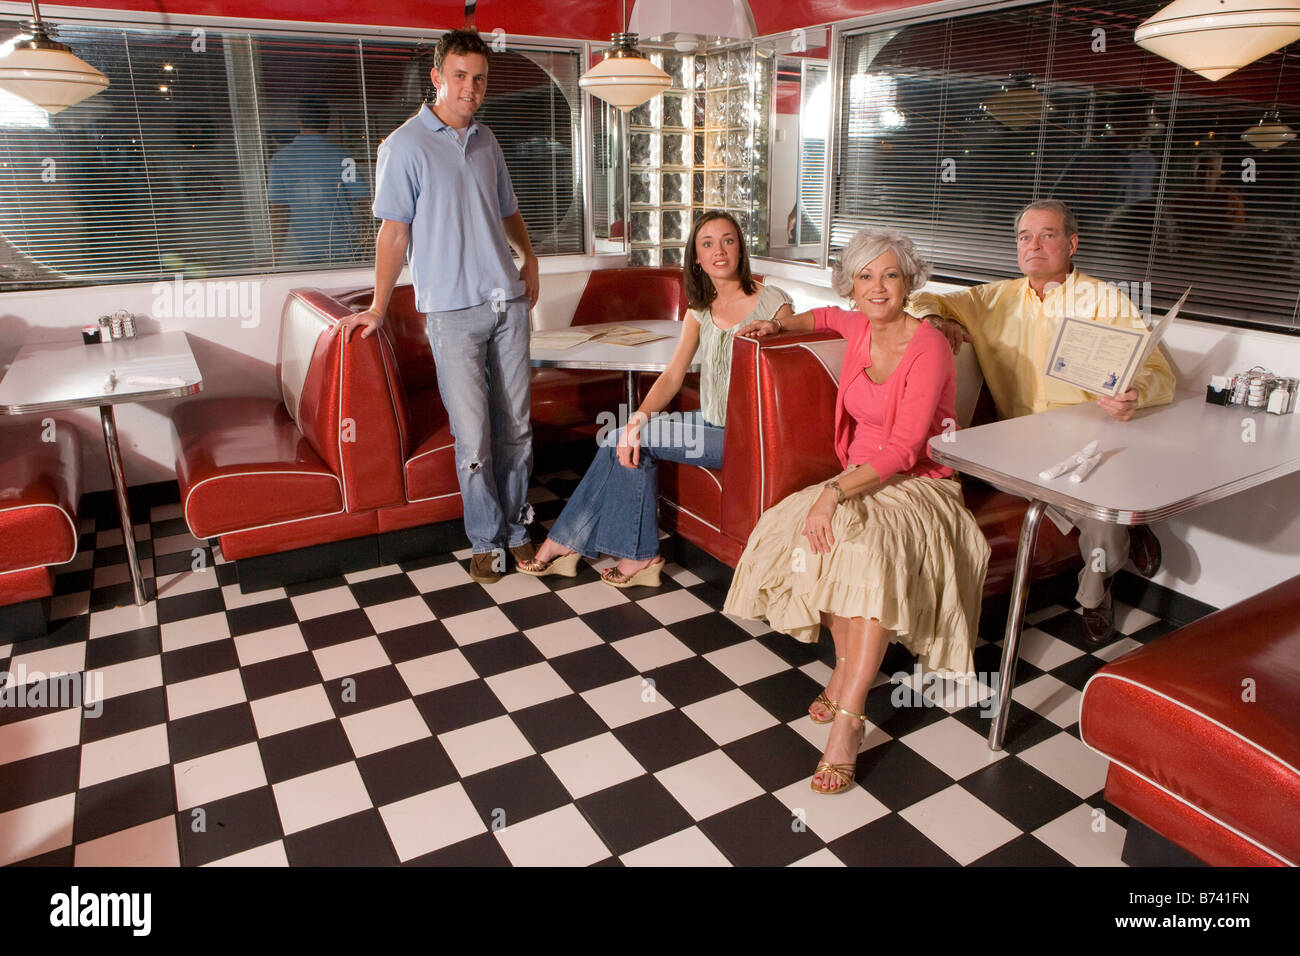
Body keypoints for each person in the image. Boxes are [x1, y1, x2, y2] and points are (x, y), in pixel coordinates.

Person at [724, 229, 991, 796]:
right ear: (853, 285)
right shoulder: (857, 325)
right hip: (854, 481)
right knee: (799, 534)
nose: (877, 287)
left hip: (920, 484)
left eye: (890, 275)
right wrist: (779, 325)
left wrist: (832, 493)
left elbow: (905, 448)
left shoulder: (929, 345)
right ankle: (847, 675)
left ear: (908, 282)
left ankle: (849, 723)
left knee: (864, 551)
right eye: (865, 276)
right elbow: (820, 317)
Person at [912, 198, 1175, 643]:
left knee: (1102, 519)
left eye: (1047, 235)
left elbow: (1158, 372)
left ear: (1071, 244)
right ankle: (1132, 521)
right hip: (1015, 446)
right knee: (1054, 494)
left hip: (1085, 444)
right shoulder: (992, 299)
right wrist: (938, 318)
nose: (1033, 245)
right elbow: (921, 297)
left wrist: (1135, 394)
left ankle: (1093, 597)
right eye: (1024, 236)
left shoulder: (1103, 300)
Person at [338, 29, 540, 584]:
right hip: (452, 315)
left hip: (509, 306)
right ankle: (484, 539)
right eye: (459, 76)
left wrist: (532, 262)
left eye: (478, 78)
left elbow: (508, 212)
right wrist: (379, 307)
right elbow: (393, 235)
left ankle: (520, 530)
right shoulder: (403, 146)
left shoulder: (486, 141)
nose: (470, 87)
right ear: (436, 77)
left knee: (518, 427)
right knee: (473, 435)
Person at [519, 211, 794, 587]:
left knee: (635, 438)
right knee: (622, 434)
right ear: (696, 257)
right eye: (708, 243)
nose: (719, 250)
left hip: (748, 436)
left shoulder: (774, 304)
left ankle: (581, 547)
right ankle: (603, 550)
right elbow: (672, 376)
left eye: (728, 240)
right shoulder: (700, 311)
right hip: (710, 422)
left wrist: (779, 326)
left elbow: (791, 374)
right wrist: (638, 418)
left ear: (741, 249)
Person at [268, 97, 370, 264]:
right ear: (327, 122)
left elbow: (279, 212)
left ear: (298, 120)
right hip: (346, 251)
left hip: (307, 252)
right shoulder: (341, 156)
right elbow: (366, 203)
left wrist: (274, 257)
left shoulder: (280, 160)